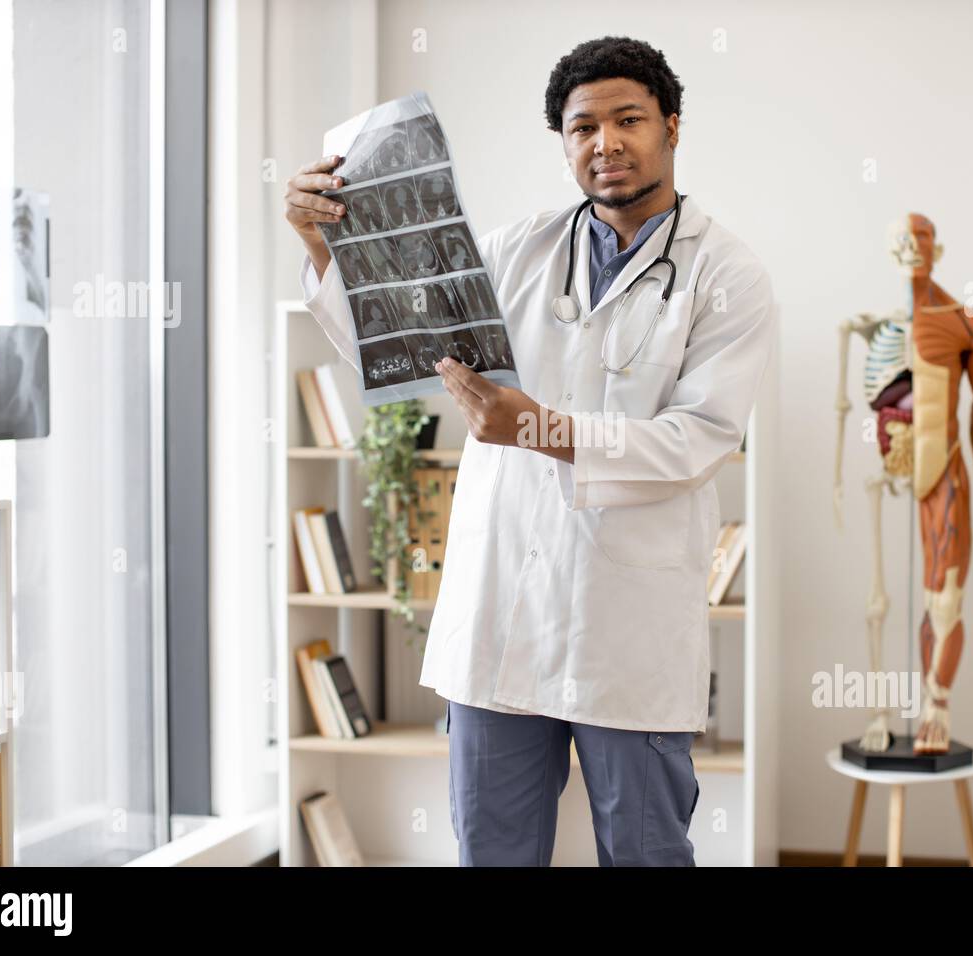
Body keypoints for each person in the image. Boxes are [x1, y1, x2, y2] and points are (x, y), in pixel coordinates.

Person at [285, 35, 775, 866]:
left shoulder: (726, 274)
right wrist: (322, 242)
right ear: (565, 143)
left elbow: (699, 440)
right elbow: (405, 340)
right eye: (583, 127)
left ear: (673, 128)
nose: (606, 143)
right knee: (494, 851)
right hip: (501, 616)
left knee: (647, 852)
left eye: (629, 120)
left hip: (630, 629)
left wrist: (541, 430)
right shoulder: (514, 250)